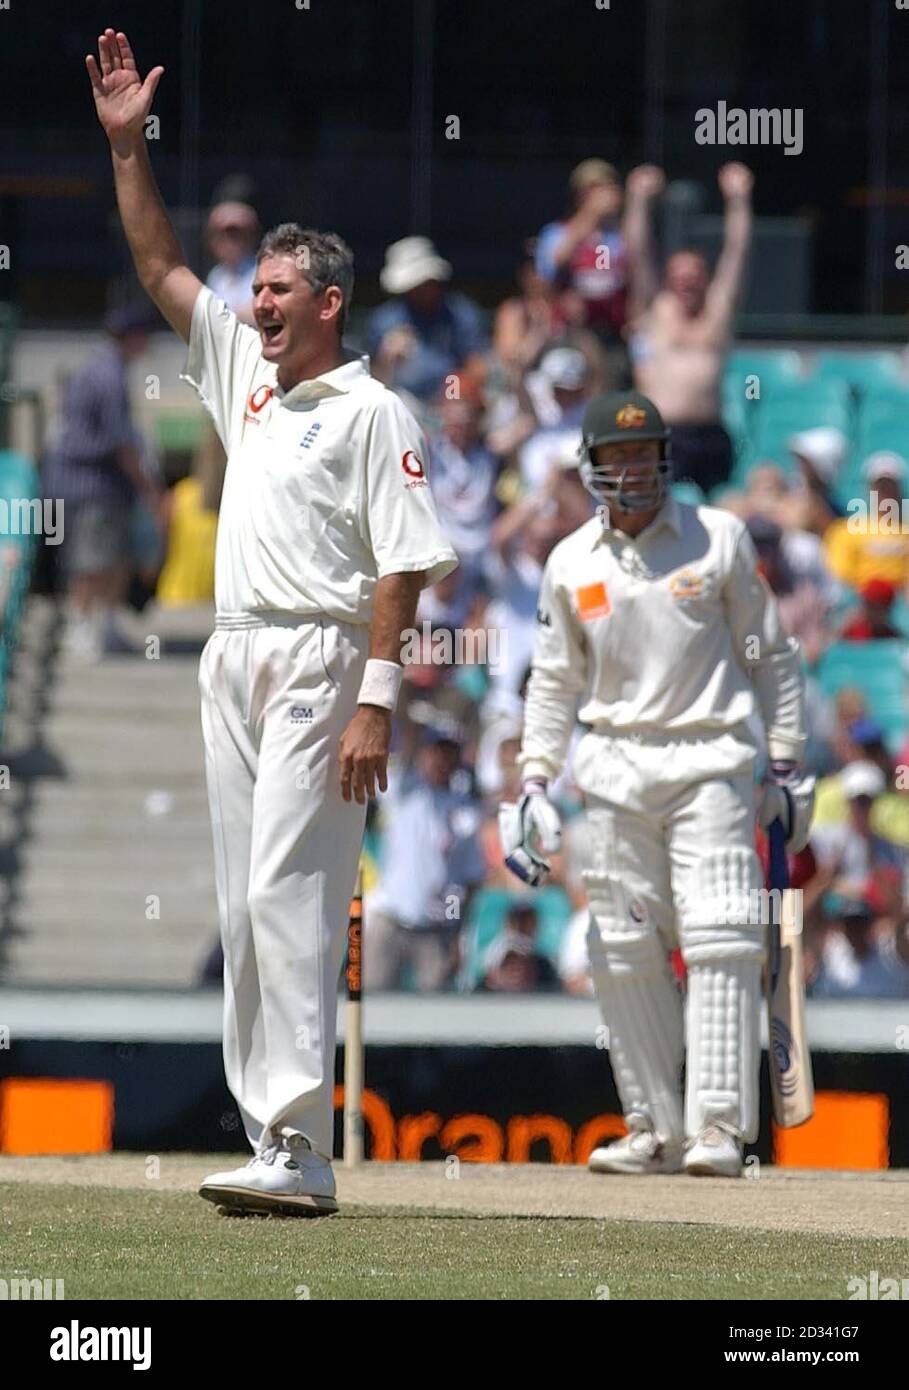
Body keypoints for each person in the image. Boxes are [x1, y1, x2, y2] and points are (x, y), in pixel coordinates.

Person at [87, 29, 457, 1214]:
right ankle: (271, 1137)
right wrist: (126, 145)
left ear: (329, 303)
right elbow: (156, 268)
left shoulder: (370, 408)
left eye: (279, 291)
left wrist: (375, 701)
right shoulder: (246, 370)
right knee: (246, 904)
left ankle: (301, 1147)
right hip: (231, 647)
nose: (257, 305)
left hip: (316, 653)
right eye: (257, 290)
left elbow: (404, 567)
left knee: (291, 894)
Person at [498, 388, 813, 1178]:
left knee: (719, 937)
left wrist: (783, 764)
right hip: (611, 774)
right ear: (593, 467)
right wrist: (533, 781)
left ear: (665, 460)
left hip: (708, 763)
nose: (634, 472)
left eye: (645, 456)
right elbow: (552, 684)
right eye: (618, 459)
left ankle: (715, 1132)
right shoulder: (570, 562)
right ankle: (651, 1128)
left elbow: (770, 655)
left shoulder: (718, 541)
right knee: (623, 948)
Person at [42, 302, 162, 660]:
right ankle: (80, 629)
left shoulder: (103, 366)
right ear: (134, 337)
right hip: (91, 484)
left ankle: (106, 627)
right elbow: (119, 439)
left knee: (115, 557)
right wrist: (148, 487)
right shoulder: (106, 373)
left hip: (103, 484)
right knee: (91, 560)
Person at [625, 162, 753, 494]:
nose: (687, 283)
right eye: (680, 277)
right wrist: (638, 199)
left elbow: (737, 252)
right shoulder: (657, 310)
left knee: (717, 517)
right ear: (669, 281)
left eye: (694, 276)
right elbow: (637, 254)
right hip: (666, 435)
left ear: (705, 279)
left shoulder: (718, 310)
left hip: (711, 433)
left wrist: (739, 200)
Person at [365, 726, 486, 991]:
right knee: (373, 1000)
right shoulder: (401, 790)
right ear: (423, 753)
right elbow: (401, 740)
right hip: (389, 916)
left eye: (449, 753)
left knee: (434, 1014)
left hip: (435, 928)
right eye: (435, 752)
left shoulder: (465, 812)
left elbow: (467, 880)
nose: (441, 760)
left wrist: (456, 930)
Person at [367, 236, 488, 402]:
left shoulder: (460, 314)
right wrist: (387, 358)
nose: (422, 290)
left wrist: (452, 397)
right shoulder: (385, 320)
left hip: (452, 397)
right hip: (402, 400)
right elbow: (374, 383)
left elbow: (477, 367)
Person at [535, 159, 629, 343]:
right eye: (596, 190)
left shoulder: (619, 235)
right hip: (567, 333)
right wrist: (591, 214)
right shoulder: (555, 232)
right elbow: (550, 270)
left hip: (613, 331)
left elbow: (633, 271)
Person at [824, 453, 909, 592]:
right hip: (865, 602)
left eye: (890, 486)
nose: (885, 492)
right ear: (869, 490)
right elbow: (843, 578)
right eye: (880, 487)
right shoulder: (844, 531)